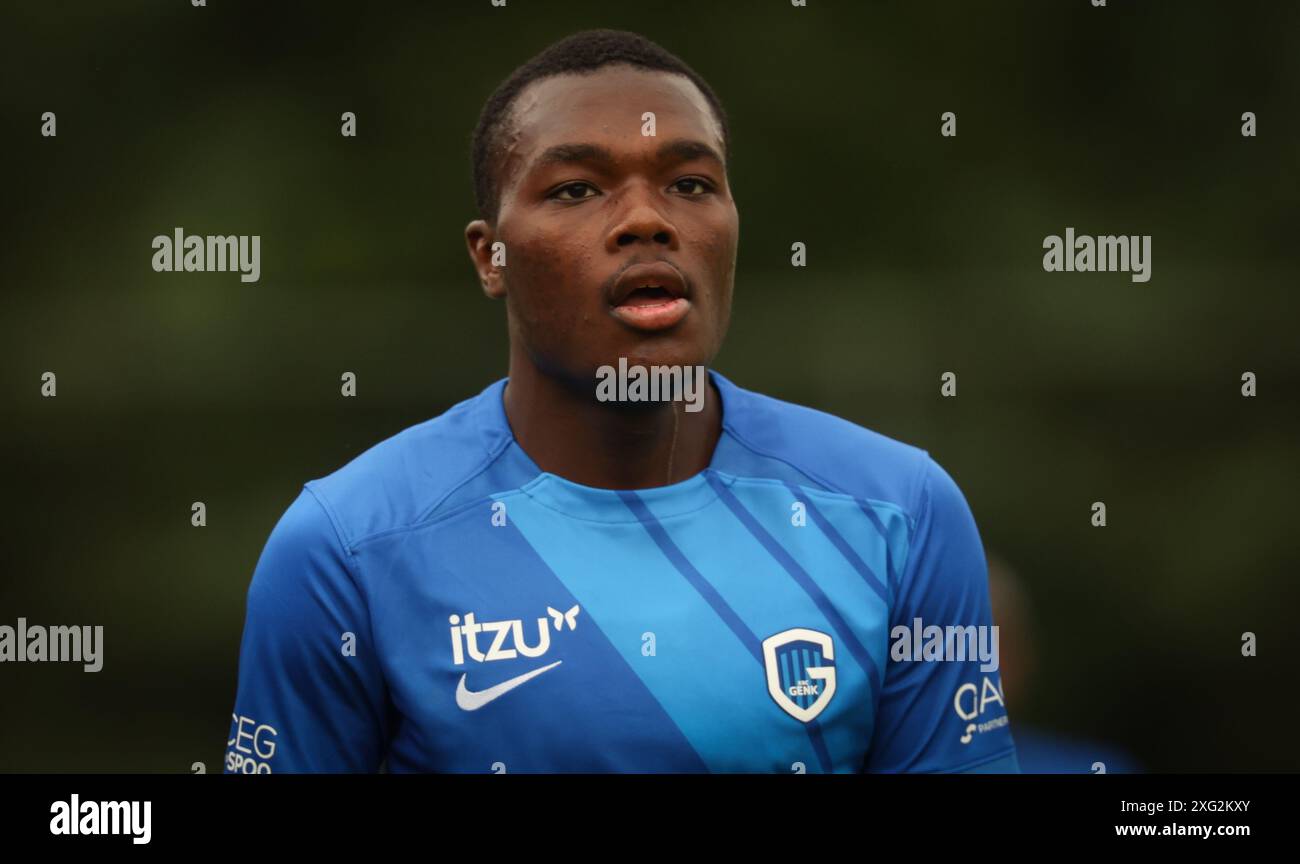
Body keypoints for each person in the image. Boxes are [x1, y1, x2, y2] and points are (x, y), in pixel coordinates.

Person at [223, 28, 1018, 773]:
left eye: (690, 183)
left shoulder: (900, 514)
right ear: (490, 256)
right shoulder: (345, 551)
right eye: (576, 189)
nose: (647, 219)